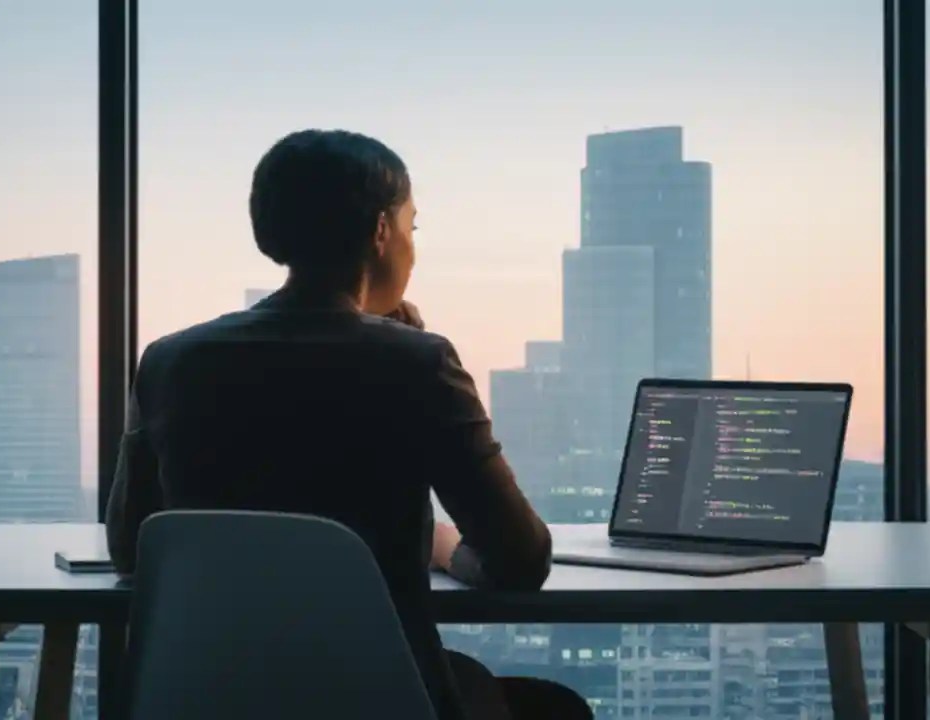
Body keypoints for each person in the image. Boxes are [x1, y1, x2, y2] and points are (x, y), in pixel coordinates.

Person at [105, 129, 593, 720]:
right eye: (413, 227)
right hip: (380, 697)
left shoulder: (169, 360)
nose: (413, 246)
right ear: (382, 232)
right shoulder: (418, 362)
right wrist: (443, 550)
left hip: (208, 699)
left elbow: (130, 548)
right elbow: (521, 558)